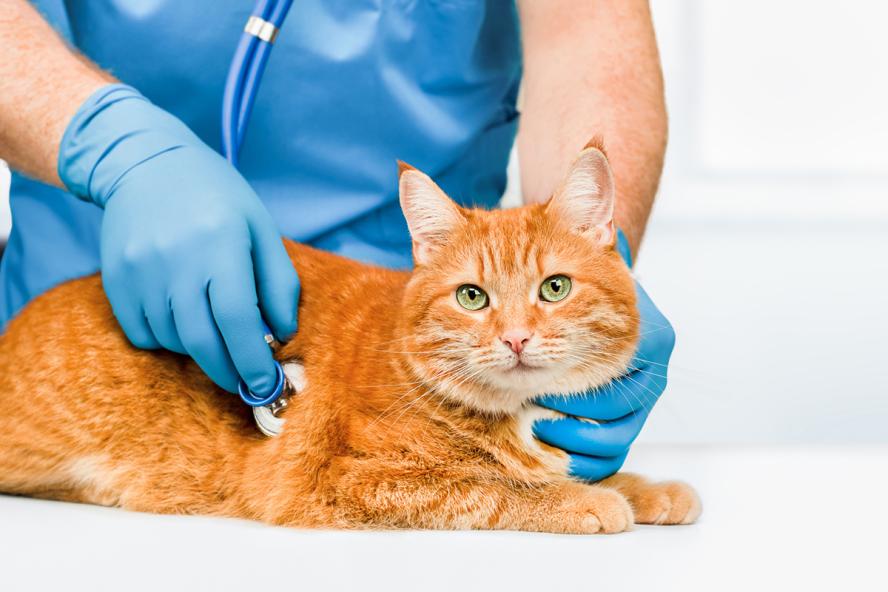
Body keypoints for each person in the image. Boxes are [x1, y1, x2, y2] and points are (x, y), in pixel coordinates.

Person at [0, 0, 674, 481]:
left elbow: (587, 30)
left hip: (415, 375)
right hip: (96, 337)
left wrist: (591, 263)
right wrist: (117, 148)